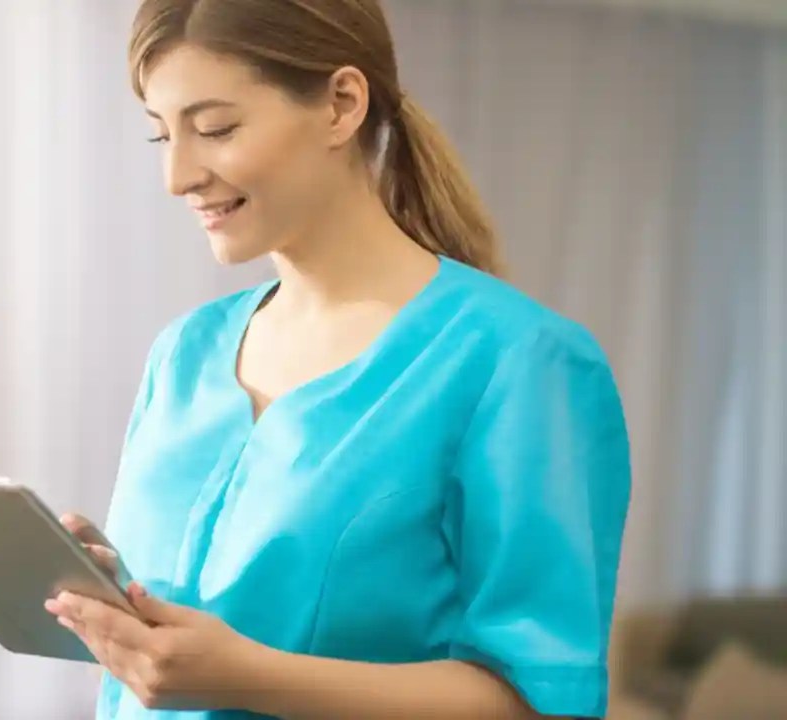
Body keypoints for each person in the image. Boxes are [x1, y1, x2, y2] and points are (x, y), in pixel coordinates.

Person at [43, 1, 631, 718]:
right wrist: (120, 597)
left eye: (216, 129)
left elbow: (541, 698)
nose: (178, 176)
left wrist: (249, 676)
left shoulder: (520, 362)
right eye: (162, 135)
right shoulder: (183, 354)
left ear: (341, 105)